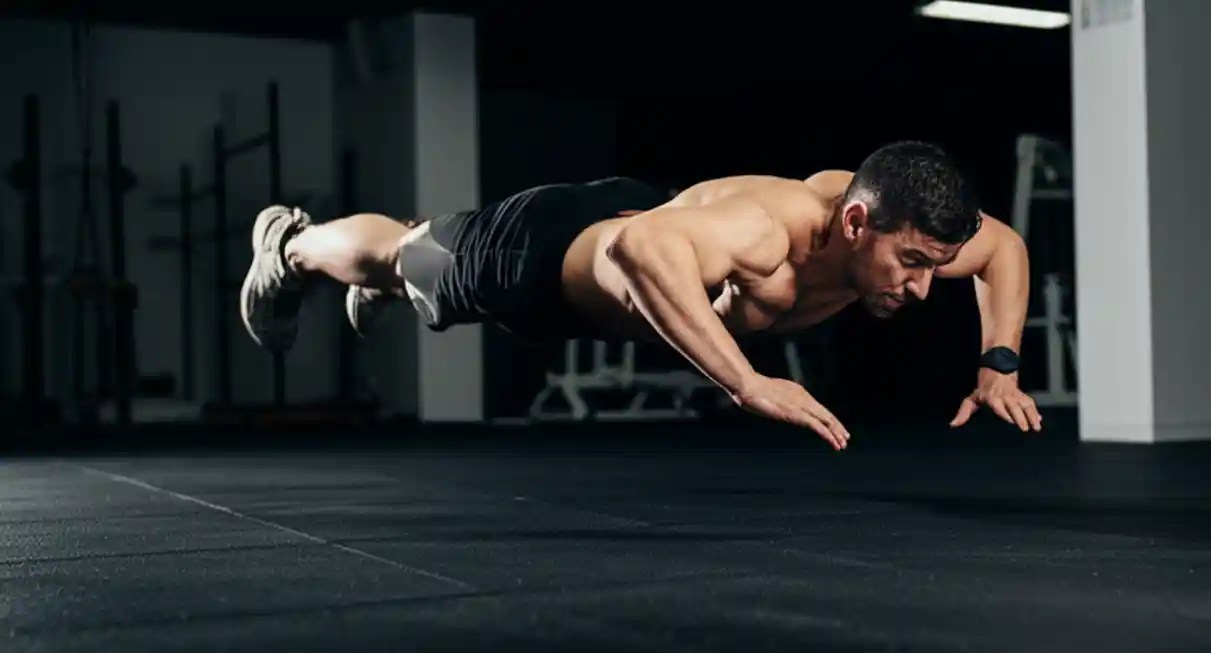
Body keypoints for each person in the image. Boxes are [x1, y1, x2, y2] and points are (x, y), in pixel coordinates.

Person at [239, 140, 1042, 451]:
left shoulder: (885, 226)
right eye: (912, 263)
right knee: (401, 252)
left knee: (407, 260)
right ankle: (292, 244)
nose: (924, 285)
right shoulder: (769, 235)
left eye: (935, 265)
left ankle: (380, 279)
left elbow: (1002, 247)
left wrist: (998, 361)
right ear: (859, 222)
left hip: (639, 213)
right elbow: (638, 246)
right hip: (542, 254)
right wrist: (747, 383)